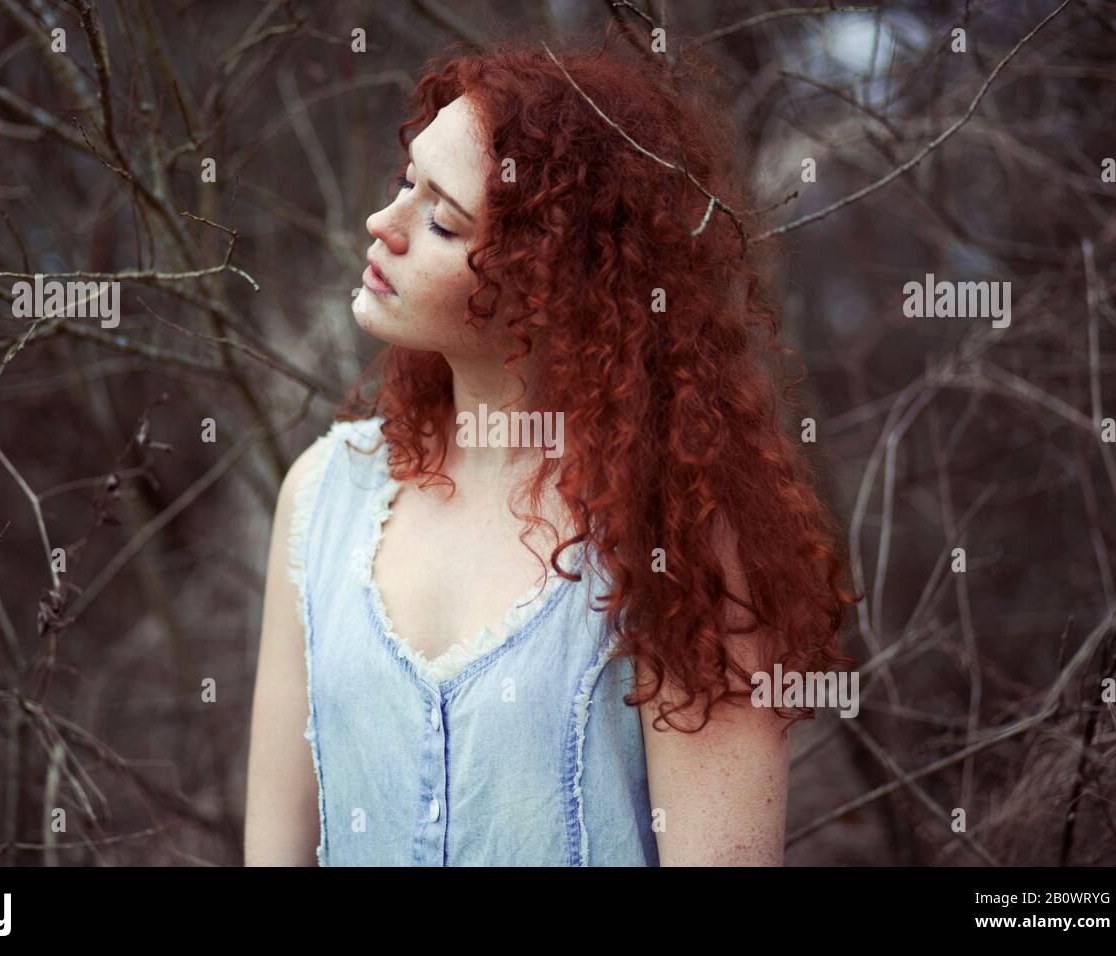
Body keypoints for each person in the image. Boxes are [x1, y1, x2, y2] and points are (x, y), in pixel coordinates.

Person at [245, 34, 855, 867]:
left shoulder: (676, 531)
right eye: (403, 183)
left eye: (441, 219)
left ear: (546, 279)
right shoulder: (323, 496)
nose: (383, 225)